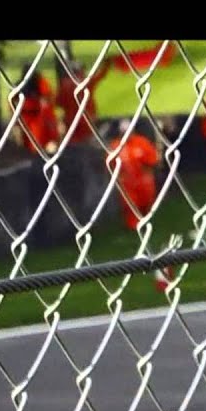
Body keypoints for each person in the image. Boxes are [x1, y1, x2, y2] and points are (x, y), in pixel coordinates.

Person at [106, 121, 173, 291]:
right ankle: (138, 240)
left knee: (146, 211)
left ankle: (144, 236)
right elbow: (110, 165)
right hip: (128, 184)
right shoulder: (116, 146)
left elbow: (153, 160)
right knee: (132, 214)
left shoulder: (141, 143)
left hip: (144, 182)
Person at [56, 60, 109, 144]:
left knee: (73, 144)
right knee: (87, 143)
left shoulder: (64, 84)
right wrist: (107, 63)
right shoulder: (86, 81)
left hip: (70, 120)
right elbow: (101, 74)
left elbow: (58, 102)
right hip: (87, 120)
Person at [17, 75, 61, 155]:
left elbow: (47, 98)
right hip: (29, 116)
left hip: (35, 116)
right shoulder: (21, 88)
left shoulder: (41, 83)